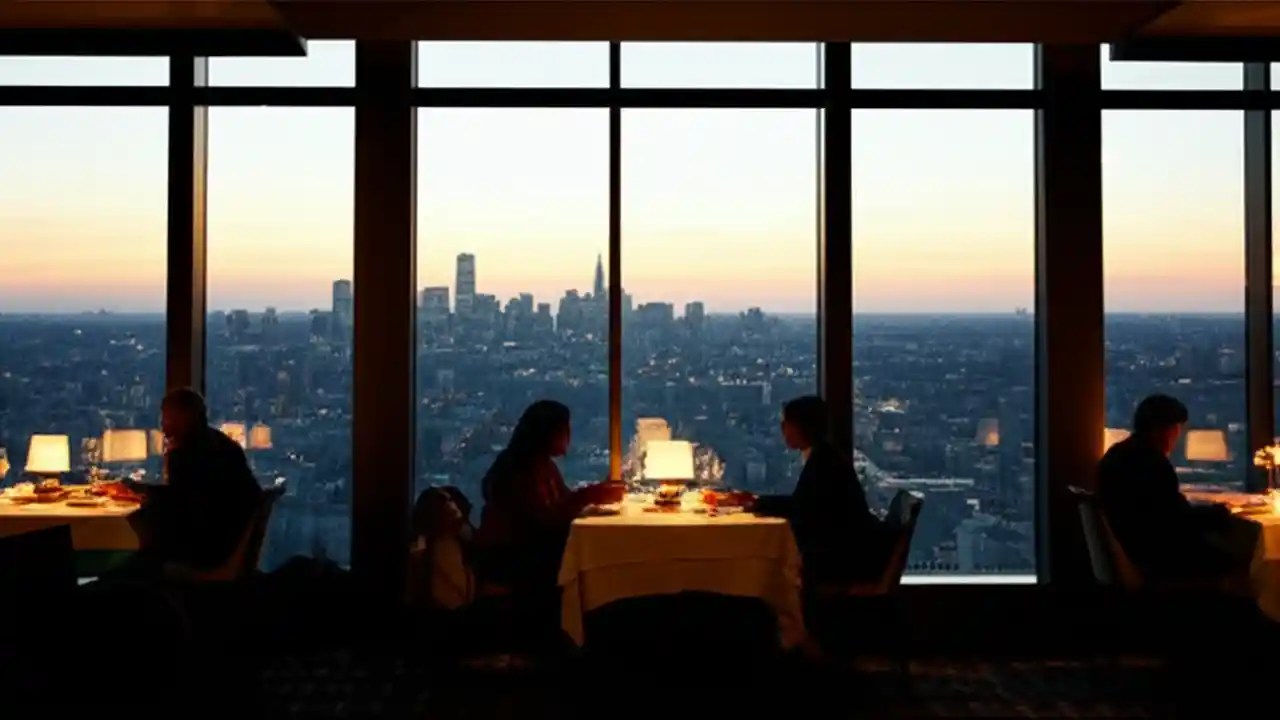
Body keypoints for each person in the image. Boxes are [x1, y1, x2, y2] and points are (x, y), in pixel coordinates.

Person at [473, 400, 622, 596]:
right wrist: (588, 496)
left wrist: (596, 494)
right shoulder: (520, 470)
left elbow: (563, 503)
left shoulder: (540, 464)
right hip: (518, 564)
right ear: (547, 433)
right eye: (564, 431)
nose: (568, 437)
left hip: (528, 557)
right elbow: (543, 524)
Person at [1098, 394, 1251, 584]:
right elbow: (1176, 519)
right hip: (1156, 557)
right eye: (1176, 429)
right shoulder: (1152, 462)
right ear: (1161, 430)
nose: (1177, 437)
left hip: (1131, 551)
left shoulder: (1117, 455)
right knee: (1243, 560)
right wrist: (1220, 513)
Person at [743, 396, 887, 585]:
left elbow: (802, 508)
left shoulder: (823, 462)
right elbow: (804, 504)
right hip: (849, 552)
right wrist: (757, 502)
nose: (782, 429)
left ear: (802, 427)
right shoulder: (825, 456)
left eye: (786, 423)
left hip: (840, 559)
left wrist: (757, 503)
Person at [131, 388, 264, 573]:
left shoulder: (184, 454)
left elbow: (183, 505)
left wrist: (140, 492)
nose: (162, 425)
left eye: (167, 418)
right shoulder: (224, 445)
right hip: (230, 547)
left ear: (183, 418)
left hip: (205, 552)